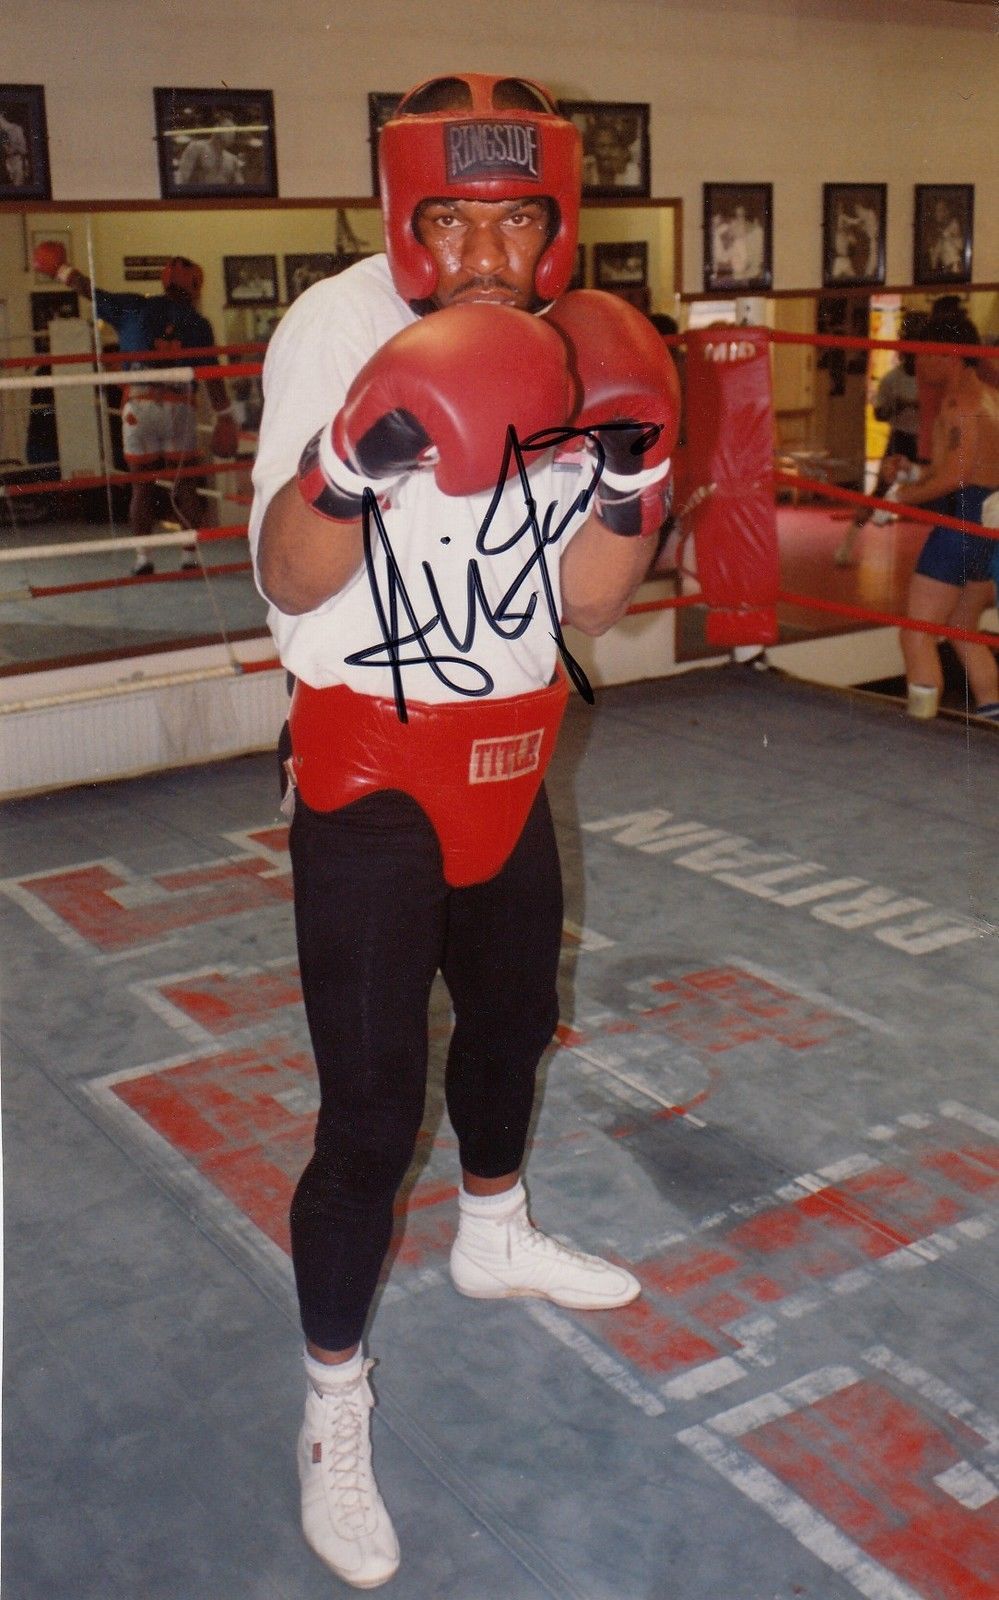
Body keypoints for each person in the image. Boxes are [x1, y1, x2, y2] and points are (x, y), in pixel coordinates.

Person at [248, 72, 679, 1590]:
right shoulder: (334, 324)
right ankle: (331, 1408)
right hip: (367, 762)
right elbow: (290, 580)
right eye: (455, 217)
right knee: (368, 1112)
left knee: (512, 1023)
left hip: (511, 748)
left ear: (554, 220)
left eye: (517, 217)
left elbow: (586, 608)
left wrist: (630, 478)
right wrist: (353, 459)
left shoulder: (591, 347)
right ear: (402, 217)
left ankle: (492, 1234)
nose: (488, 252)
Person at [33, 242, 239, 573]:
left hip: (138, 407)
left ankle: (143, 558)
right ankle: (189, 556)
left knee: (141, 485)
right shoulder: (198, 323)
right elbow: (213, 377)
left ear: (164, 281)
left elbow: (91, 291)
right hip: (178, 406)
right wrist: (225, 417)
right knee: (184, 484)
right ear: (196, 286)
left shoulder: (134, 307)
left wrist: (60, 270)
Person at [887, 307, 999, 721]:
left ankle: (922, 729)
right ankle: (993, 712)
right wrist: (912, 471)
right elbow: (964, 468)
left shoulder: (960, 404)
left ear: (947, 355)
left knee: (916, 633)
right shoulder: (990, 398)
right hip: (984, 525)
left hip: (961, 524)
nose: (918, 363)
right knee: (962, 627)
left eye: (924, 354)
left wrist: (902, 498)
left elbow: (957, 475)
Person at [834, 310, 926, 567]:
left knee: (943, 491)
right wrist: (896, 405)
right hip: (902, 438)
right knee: (878, 492)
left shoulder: (932, 377)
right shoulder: (892, 379)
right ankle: (847, 544)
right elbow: (880, 414)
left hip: (928, 440)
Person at [175, 114, 243, 188]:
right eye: (228, 129)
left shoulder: (232, 159)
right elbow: (182, 178)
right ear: (216, 128)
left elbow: (240, 188)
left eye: (234, 131)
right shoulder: (196, 148)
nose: (232, 134)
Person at [0, 106, 29, 187]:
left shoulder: (17, 129)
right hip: (8, 164)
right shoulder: (2, 133)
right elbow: (7, 149)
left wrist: (13, 147)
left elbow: (24, 150)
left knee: (18, 186)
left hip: (18, 162)